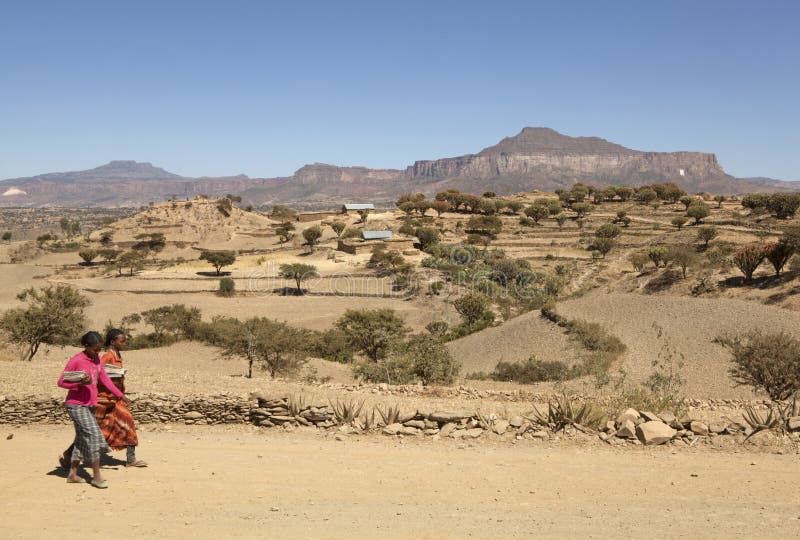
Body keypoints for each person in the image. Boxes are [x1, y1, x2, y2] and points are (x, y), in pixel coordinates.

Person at [57, 331, 131, 488]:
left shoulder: (96, 358)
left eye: (99, 350)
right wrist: (78, 384)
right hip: (76, 405)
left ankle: (73, 474)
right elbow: (61, 382)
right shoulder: (76, 360)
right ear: (85, 346)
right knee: (94, 435)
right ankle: (96, 476)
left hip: (90, 404)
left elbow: (104, 378)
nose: (98, 353)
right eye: (95, 350)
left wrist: (120, 395)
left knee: (81, 440)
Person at [95, 329, 146, 467]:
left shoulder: (117, 355)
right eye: (122, 341)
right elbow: (99, 376)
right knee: (95, 430)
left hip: (116, 398)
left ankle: (130, 459)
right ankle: (70, 456)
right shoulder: (107, 356)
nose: (124, 343)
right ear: (112, 342)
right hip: (106, 398)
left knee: (110, 427)